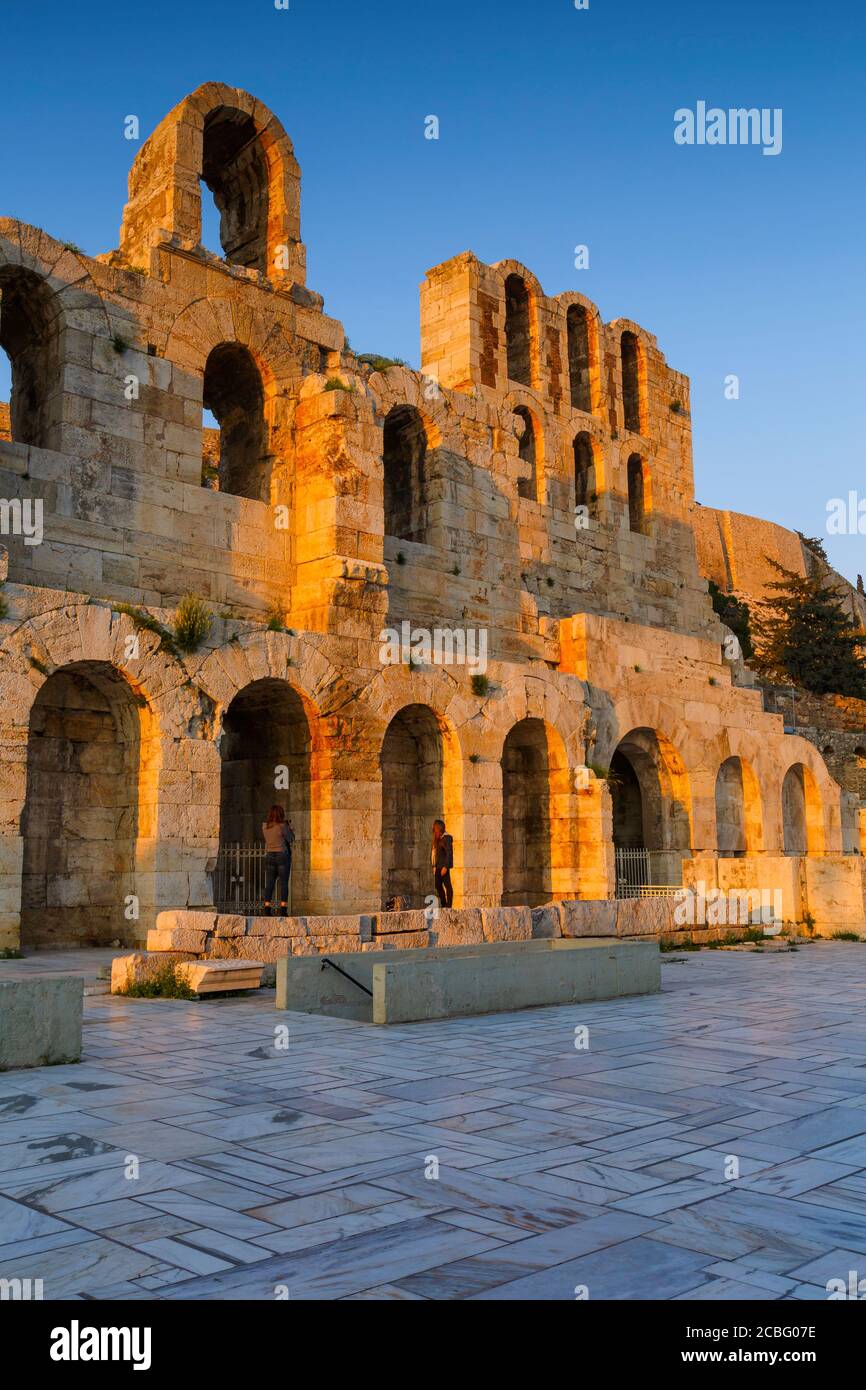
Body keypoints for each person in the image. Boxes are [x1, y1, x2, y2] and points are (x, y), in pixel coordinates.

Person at [262, 804, 294, 916]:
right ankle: (283, 910)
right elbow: (291, 839)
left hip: (269, 856)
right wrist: (290, 828)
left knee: (269, 883)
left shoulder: (265, 826)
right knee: (284, 883)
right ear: (281, 814)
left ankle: (266, 909)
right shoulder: (282, 826)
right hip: (282, 856)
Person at [431, 818, 454, 908]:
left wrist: (446, 866)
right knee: (437, 885)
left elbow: (449, 852)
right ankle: (444, 903)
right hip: (437, 866)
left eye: (434, 827)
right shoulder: (437, 838)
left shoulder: (447, 838)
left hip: (444, 866)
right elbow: (434, 853)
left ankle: (448, 906)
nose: (433, 829)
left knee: (448, 885)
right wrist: (434, 865)